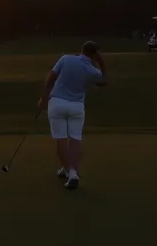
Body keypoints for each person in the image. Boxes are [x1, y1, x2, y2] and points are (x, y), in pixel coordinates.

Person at [38, 41, 108, 191]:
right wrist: (101, 62)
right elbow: (104, 81)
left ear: (81, 50)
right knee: (75, 139)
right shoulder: (93, 71)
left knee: (61, 139)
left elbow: (50, 77)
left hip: (57, 103)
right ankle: (71, 171)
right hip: (77, 106)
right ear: (95, 54)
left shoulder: (66, 59)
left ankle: (70, 172)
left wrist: (44, 98)